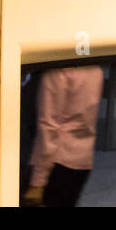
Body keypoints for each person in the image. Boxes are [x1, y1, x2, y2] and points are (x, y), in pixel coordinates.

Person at [23, 65, 104, 207]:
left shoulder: (57, 73)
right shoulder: (95, 70)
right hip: (82, 162)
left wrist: (37, 182)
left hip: (56, 163)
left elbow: (49, 128)